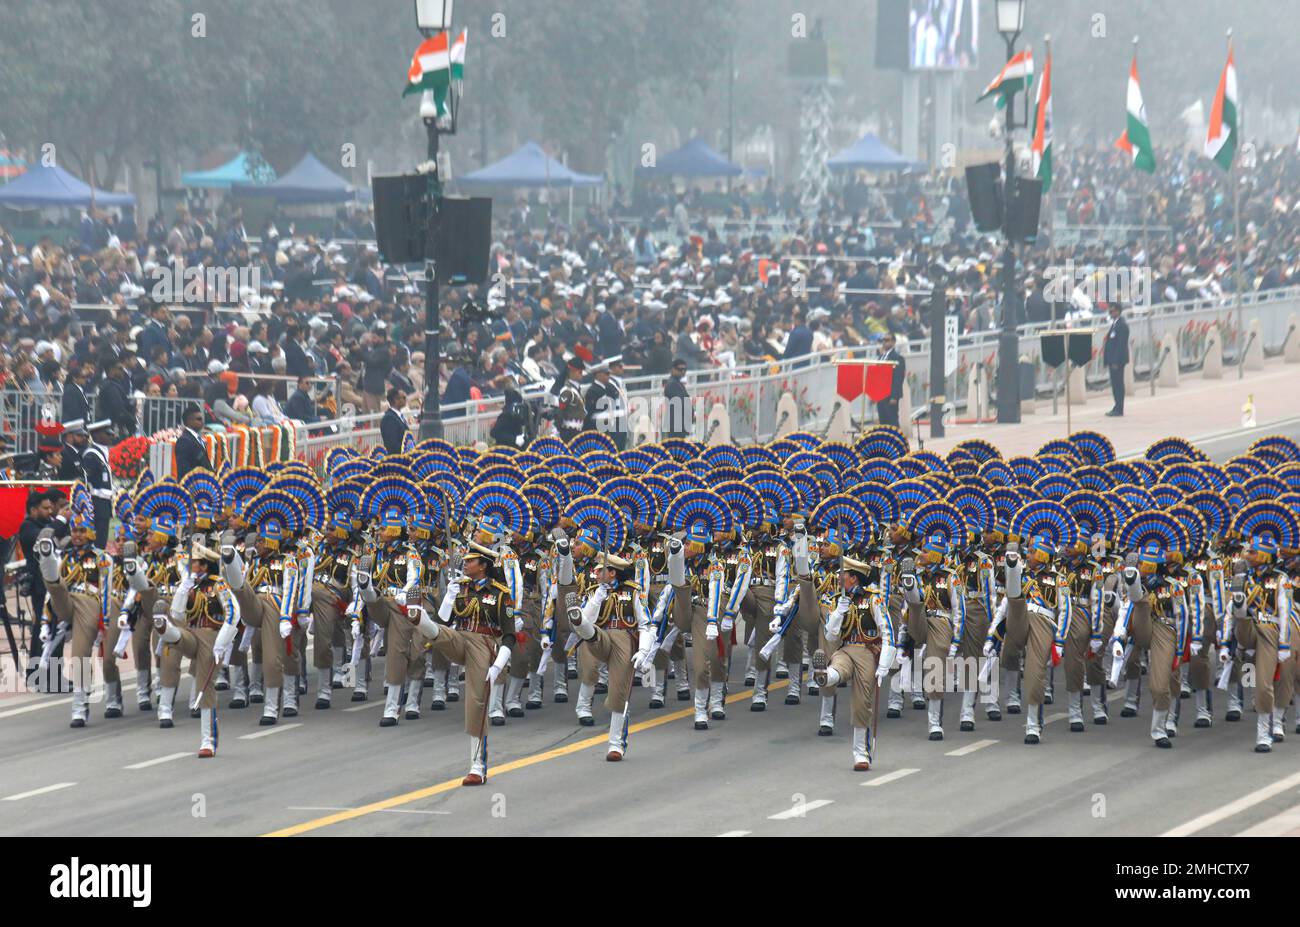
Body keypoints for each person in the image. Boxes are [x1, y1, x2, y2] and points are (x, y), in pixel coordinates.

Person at [82, 421, 114, 547]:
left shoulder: (102, 453)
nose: (111, 436)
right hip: (96, 505)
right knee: (98, 542)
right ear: (97, 436)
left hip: (104, 505)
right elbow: (88, 483)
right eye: (107, 434)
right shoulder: (91, 455)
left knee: (102, 540)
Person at [875, 332, 906, 427]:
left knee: (892, 420)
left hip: (890, 395)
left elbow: (898, 378)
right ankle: (886, 439)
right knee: (883, 420)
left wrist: (894, 396)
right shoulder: (880, 357)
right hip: (881, 394)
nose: (884, 343)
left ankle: (896, 440)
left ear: (893, 342)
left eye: (887, 340)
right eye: (883, 340)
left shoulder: (898, 358)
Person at [1103, 304, 1130, 417]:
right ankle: (1117, 405)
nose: (1111, 313)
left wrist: (1115, 361)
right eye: (1110, 311)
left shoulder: (1122, 326)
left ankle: (1119, 408)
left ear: (1118, 311)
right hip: (1112, 360)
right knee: (1115, 385)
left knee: (1118, 384)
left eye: (1113, 311)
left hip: (1117, 361)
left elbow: (1120, 346)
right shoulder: (1115, 324)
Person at [173, 405, 211, 480]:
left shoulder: (197, 439)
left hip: (203, 483)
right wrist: (201, 477)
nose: (202, 422)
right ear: (189, 421)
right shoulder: (184, 441)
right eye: (199, 419)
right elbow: (184, 469)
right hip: (192, 485)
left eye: (202, 419)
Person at [662, 358, 692, 439]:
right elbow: (679, 403)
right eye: (680, 369)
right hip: (675, 425)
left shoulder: (677, 383)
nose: (683, 372)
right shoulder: (672, 384)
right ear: (673, 369)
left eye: (684, 369)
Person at [380, 387, 408, 455]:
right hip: (397, 460)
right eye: (403, 398)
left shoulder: (398, 416)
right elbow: (392, 444)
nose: (405, 400)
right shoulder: (389, 419)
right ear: (396, 400)